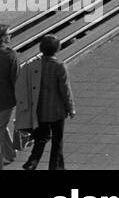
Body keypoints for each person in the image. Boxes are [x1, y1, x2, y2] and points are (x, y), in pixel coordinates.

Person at [23, 35, 74, 171]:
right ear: (57, 48)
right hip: (56, 111)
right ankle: (56, 167)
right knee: (57, 141)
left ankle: (31, 163)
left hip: (39, 110)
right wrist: (71, 108)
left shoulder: (34, 65)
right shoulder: (59, 66)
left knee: (40, 138)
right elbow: (65, 90)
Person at [0, 25, 15, 169]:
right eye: (8, 34)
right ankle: (9, 155)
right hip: (6, 100)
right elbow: (15, 78)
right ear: (2, 38)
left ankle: (10, 154)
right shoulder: (10, 55)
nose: (11, 36)